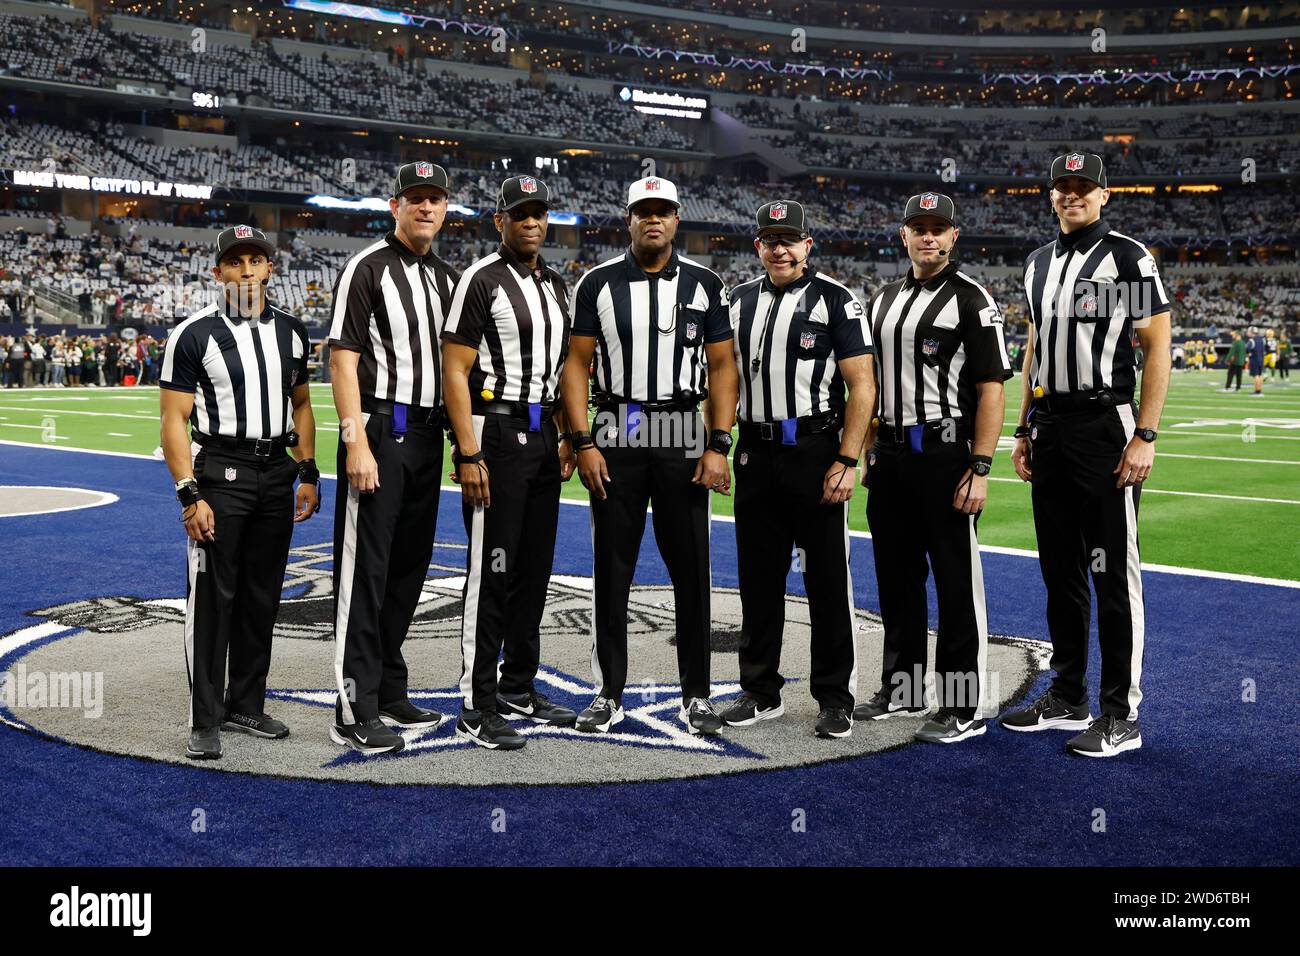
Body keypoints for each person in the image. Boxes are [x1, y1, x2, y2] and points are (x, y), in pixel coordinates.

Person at [1005, 152, 1171, 757]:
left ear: (1105, 195)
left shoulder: (1128, 257)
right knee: (1060, 571)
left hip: (1105, 424)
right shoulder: (1037, 262)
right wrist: (1023, 428)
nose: (1072, 196)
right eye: (1062, 188)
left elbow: (1157, 346)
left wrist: (1144, 435)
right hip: (1050, 428)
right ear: (1051, 196)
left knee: (1112, 576)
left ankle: (1120, 714)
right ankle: (1068, 695)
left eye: (1084, 188)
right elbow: (1034, 350)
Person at [560, 176, 737, 736]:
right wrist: (584, 439)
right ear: (628, 218)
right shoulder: (598, 283)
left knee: (691, 570)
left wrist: (717, 443)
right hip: (619, 422)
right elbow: (576, 365)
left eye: (662, 211)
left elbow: (723, 368)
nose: (653, 220)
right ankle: (607, 692)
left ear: (677, 218)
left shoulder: (706, 284)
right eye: (643, 212)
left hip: (683, 424)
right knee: (612, 568)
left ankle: (697, 694)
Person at [158, 225, 320, 761]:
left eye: (256, 260)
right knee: (211, 599)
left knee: (261, 596)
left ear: (271, 269)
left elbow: (301, 405)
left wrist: (308, 471)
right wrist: (188, 494)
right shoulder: (193, 333)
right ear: (218, 272)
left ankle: (246, 701)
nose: (247, 270)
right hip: (220, 473)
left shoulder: (293, 333)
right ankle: (204, 717)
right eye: (236, 261)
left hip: (276, 472)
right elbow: (173, 422)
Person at [855, 193, 1012, 744]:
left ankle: (963, 705)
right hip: (893, 455)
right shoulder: (882, 299)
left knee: (954, 582)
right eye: (918, 228)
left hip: (946, 454)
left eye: (938, 229)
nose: (928, 237)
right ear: (903, 235)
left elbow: (992, 389)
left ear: (954, 236)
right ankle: (903, 688)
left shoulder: (972, 299)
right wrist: (871, 448)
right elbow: (870, 383)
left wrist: (982, 465)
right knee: (897, 578)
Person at [717, 199, 876, 739]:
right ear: (757, 245)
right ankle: (760, 691)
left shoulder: (835, 300)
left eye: (789, 239)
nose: (779, 248)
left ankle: (834, 695)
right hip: (756, 452)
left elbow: (863, 386)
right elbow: (724, 379)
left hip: (814, 451)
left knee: (826, 580)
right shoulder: (736, 301)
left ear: (808, 245)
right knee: (757, 579)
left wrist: (847, 458)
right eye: (769, 239)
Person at [327, 162, 461, 755]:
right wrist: (355, 440)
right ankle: (353, 706)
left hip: (429, 436)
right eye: (416, 199)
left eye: (435, 200)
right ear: (395, 205)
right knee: (365, 572)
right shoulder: (367, 267)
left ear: (445, 209)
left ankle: (387, 688)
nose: (426, 208)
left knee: (410, 565)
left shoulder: (448, 278)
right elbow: (342, 359)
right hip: (382, 429)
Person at [442, 174, 578, 751]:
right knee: (491, 572)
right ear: (499, 221)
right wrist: (467, 448)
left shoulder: (555, 284)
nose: (531, 222)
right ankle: (476, 703)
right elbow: (454, 371)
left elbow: (570, 365)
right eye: (520, 213)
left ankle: (519, 685)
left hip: (544, 432)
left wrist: (572, 433)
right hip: (495, 432)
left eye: (539, 213)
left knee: (533, 570)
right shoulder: (480, 279)